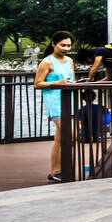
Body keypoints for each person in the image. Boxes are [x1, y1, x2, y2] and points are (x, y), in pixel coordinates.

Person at [33, 31, 76, 182]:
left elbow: (72, 81)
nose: (66, 48)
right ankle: (62, 170)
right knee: (70, 134)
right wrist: (56, 83)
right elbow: (37, 84)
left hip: (69, 101)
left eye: (69, 46)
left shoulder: (70, 61)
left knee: (60, 138)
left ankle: (55, 172)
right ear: (53, 44)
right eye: (62, 45)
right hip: (55, 102)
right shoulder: (47, 62)